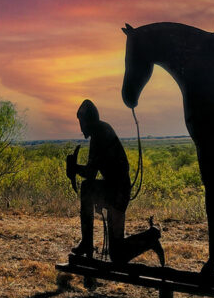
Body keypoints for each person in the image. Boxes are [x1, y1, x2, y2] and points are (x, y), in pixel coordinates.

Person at [69, 99, 165, 265]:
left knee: (86, 188)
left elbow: (90, 174)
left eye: (81, 122)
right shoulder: (102, 130)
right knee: (117, 254)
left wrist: (74, 168)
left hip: (117, 193)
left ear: (88, 121)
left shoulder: (99, 134)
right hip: (116, 190)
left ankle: (150, 236)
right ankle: (150, 237)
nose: (81, 127)